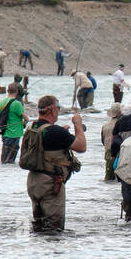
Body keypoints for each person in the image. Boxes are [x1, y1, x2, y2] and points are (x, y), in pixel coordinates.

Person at [22, 95, 86, 233]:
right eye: (58, 108)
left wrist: (62, 133)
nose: (59, 110)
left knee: (38, 227)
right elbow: (81, 146)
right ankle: (51, 255)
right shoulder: (56, 131)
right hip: (51, 184)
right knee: (53, 230)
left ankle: (36, 252)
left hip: (34, 182)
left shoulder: (32, 127)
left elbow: (48, 142)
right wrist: (77, 124)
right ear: (51, 109)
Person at [0, 82, 26, 164]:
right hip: (15, 133)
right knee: (11, 160)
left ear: (7, 90)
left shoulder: (1, 102)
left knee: (4, 159)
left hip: (5, 133)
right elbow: (26, 118)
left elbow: (0, 117)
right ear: (17, 91)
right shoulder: (17, 103)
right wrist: (24, 124)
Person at [101, 103, 123, 181]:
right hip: (121, 153)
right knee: (121, 179)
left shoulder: (105, 126)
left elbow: (103, 142)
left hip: (108, 153)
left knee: (109, 178)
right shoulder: (123, 125)